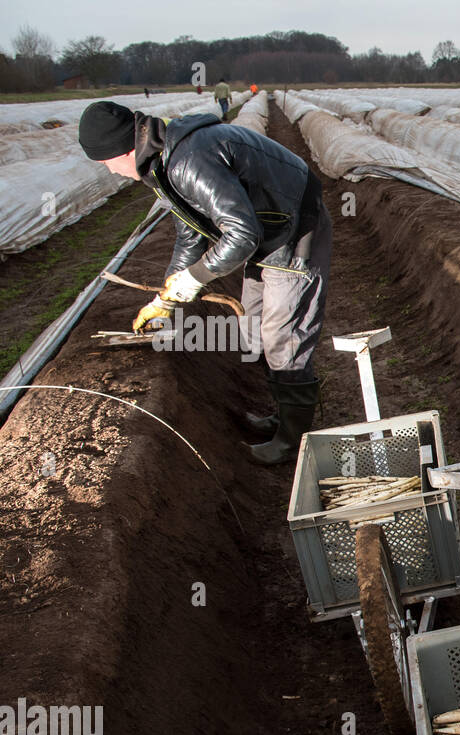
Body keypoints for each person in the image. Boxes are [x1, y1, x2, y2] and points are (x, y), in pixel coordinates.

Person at [77, 99, 331, 465]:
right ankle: (282, 417)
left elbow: (242, 235)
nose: (110, 171)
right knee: (254, 326)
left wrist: (196, 277)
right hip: (269, 226)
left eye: (105, 161)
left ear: (123, 148)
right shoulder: (162, 163)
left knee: (282, 335)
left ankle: (294, 440)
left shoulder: (187, 160)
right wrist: (168, 295)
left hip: (293, 227)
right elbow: (191, 233)